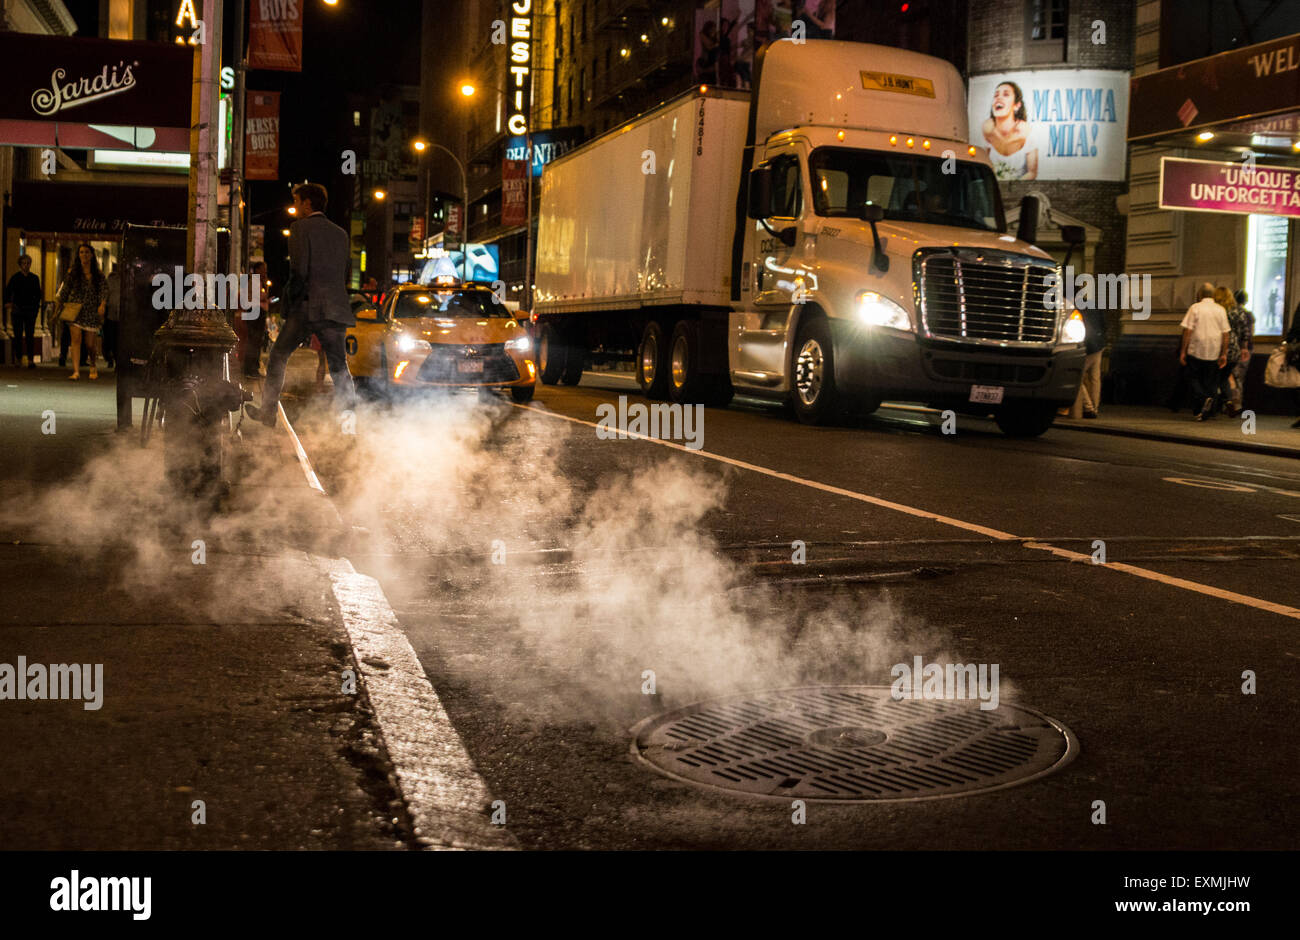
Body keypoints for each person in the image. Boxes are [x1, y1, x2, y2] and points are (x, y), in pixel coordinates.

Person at [246, 183, 356, 427]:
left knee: (278, 356)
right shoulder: (341, 233)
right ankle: (350, 423)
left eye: (296, 202)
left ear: (308, 203)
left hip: (307, 306)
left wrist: (290, 304)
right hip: (335, 307)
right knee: (339, 367)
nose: (295, 207)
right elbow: (343, 272)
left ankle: (268, 413)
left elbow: (298, 271)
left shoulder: (299, 228)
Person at [55, 243, 107, 381]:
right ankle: (76, 371)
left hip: (91, 311)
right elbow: (65, 290)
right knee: (75, 340)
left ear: (91, 255)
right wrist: (58, 305)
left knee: (90, 343)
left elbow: (104, 291)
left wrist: (102, 305)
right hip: (75, 310)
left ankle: (93, 364)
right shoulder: (73, 272)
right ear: (78, 255)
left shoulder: (98, 274)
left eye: (87, 252)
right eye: (81, 252)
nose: (84, 255)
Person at [1179, 282, 1230, 421]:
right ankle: (1205, 412)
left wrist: (1183, 351)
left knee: (1192, 377)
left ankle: (1202, 401)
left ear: (1200, 294)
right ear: (1213, 295)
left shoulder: (1195, 308)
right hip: (1213, 351)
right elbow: (1226, 334)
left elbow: (1188, 330)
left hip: (1196, 349)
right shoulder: (1220, 310)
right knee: (1209, 381)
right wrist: (1224, 353)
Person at [981, 82, 1040, 180]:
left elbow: (1032, 173)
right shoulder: (986, 130)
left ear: (1017, 105)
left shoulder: (1027, 133)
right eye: (996, 95)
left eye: (1006, 94)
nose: (998, 98)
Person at [1066, 306, 1108, 419]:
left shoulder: (1076, 309)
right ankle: (1094, 408)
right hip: (1099, 344)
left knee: (1075, 376)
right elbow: (1104, 325)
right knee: (1095, 378)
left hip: (1088, 347)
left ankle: (1088, 407)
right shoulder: (1095, 306)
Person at [4, 253, 41, 368]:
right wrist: (8, 303)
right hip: (18, 310)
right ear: (20, 265)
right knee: (18, 334)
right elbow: (8, 291)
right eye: (23, 263)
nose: (26, 265)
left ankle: (30, 359)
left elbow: (38, 294)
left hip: (30, 310)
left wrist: (35, 307)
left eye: (28, 263)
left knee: (30, 334)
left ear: (30, 264)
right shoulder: (15, 278)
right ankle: (18, 358)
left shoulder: (34, 278)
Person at [1225, 288, 1254, 418]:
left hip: (1232, 348)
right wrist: (1246, 347)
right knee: (1240, 377)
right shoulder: (1248, 315)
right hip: (1245, 349)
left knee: (1232, 376)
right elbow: (1249, 333)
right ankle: (1238, 404)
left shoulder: (1231, 312)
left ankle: (1231, 402)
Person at [102, 264, 120, 370]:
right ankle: (110, 358)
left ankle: (117, 361)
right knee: (110, 339)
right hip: (111, 315)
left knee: (118, 340)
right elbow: (106, 295)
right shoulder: (111, 280)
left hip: (123, 317)